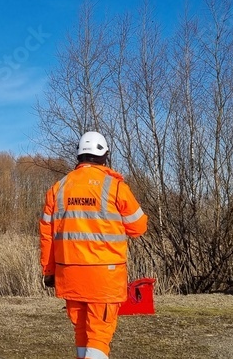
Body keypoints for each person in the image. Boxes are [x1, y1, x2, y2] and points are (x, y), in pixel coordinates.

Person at [39, 131, 148, 359]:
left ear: (79, 155)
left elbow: (47, 235)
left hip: (70, 274)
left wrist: (49, 272)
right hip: (104, 276)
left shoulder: (58, 188)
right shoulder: (115, 187)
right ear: (105, 156)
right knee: (98, 335)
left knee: (81, 332)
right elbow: (139, 228)